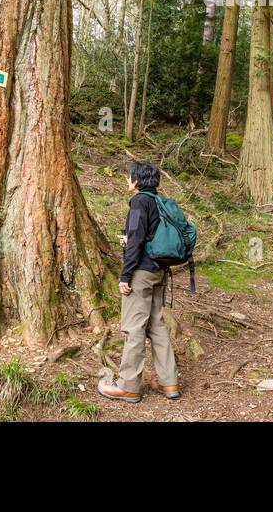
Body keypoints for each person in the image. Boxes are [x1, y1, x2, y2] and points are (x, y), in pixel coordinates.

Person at [97, 160, 181, 403]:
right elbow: (146, 236)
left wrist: (125, 276)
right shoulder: (157, 201)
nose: (127, 180)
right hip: (159, 272)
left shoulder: (138, 202)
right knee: (157, 326)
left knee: (134, 328)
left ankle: (129, 386)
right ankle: (169, 382)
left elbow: (135, 239)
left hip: (141, 273)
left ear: (136, 180)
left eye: (129, 176)